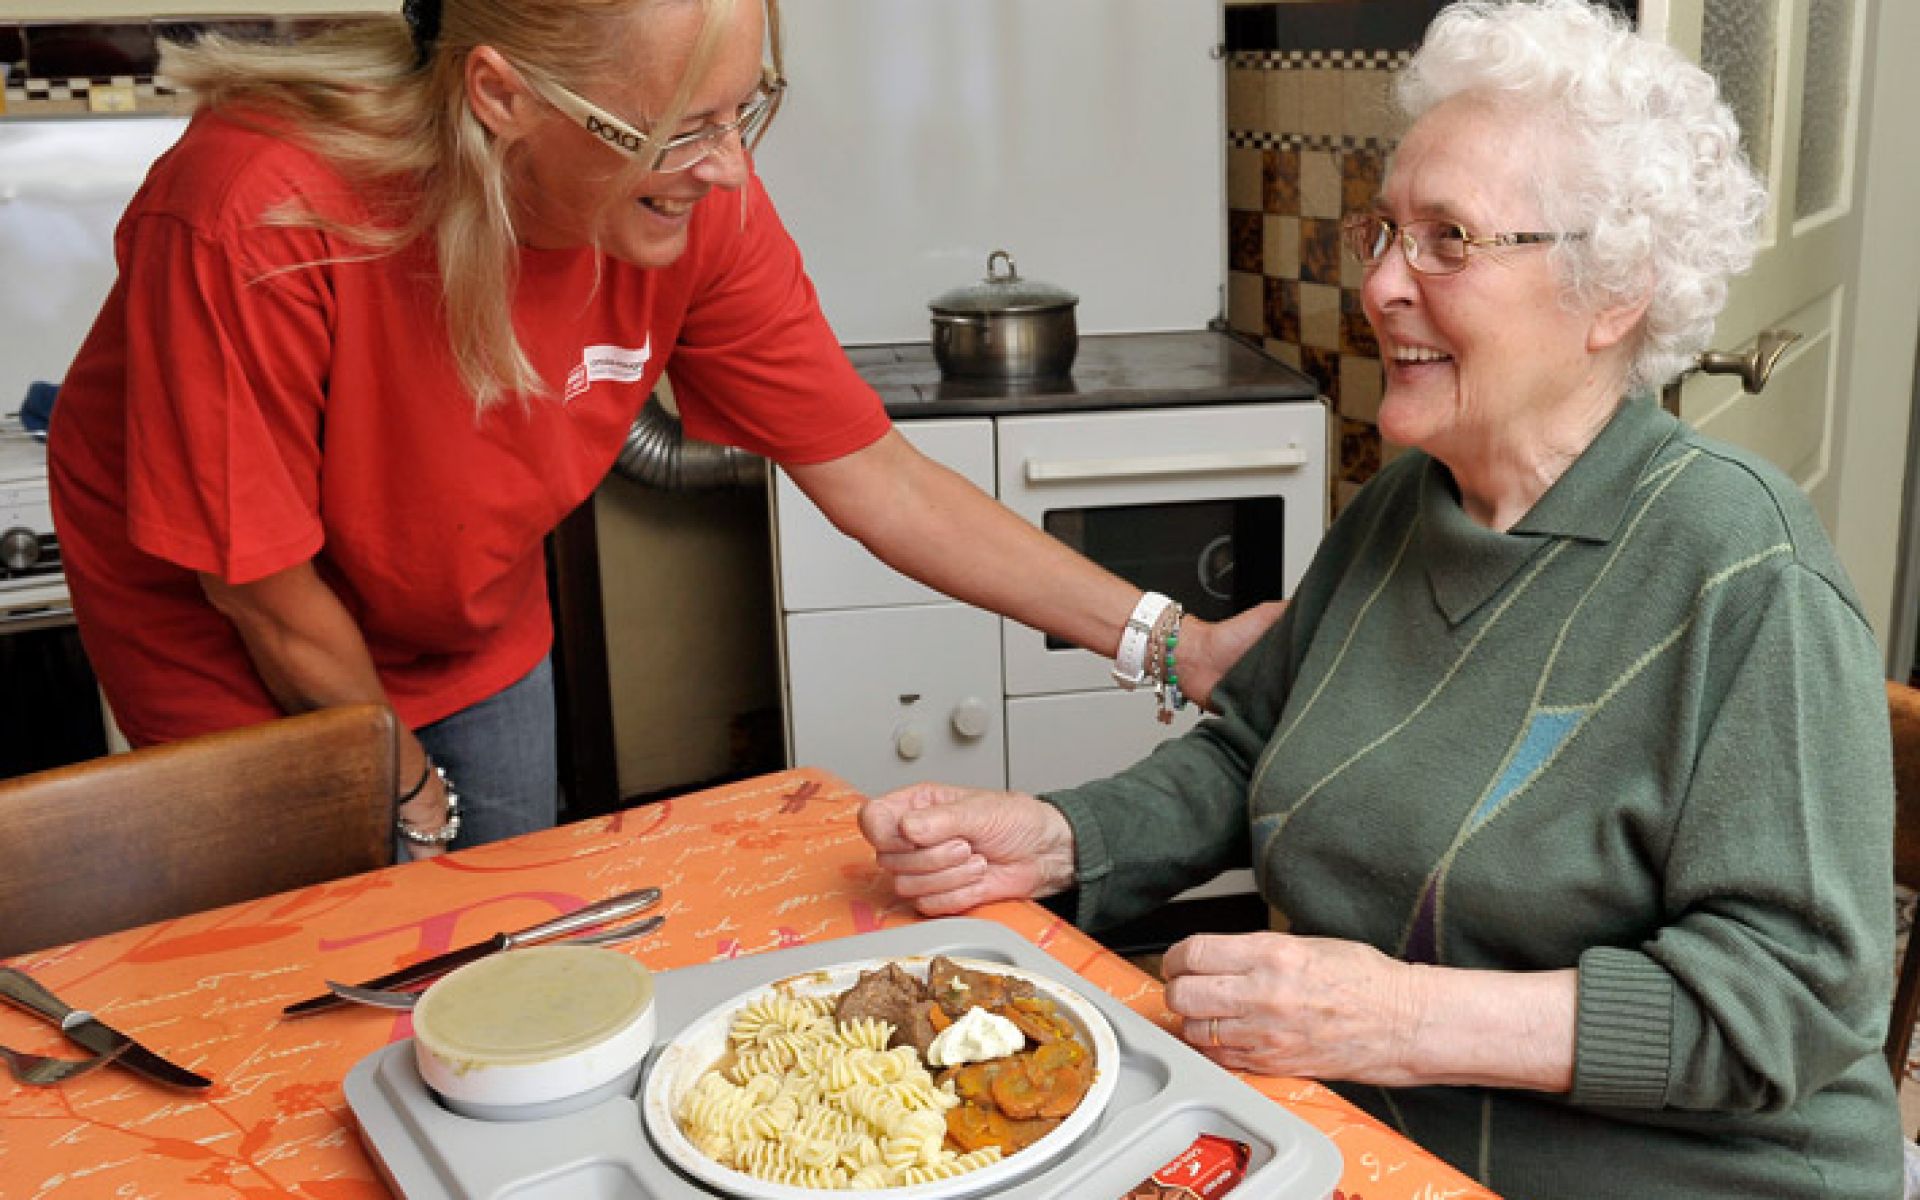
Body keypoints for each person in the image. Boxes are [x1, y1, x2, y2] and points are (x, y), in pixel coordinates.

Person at [859, 2, 1902, 1194]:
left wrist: (1400, 1021)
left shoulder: (1742, 569)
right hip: (1366, 1129)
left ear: (1615, 293)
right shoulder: (1408, 503)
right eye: (1384, 231)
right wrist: (1060, 838)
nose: (1383, 284)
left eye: (1448, 239)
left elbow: (1795, 999)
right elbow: (1256, 749)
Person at [46, 0, 1272, 859]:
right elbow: (256, 584)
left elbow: (880, 478)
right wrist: (407, 797)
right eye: (680, 128)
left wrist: (1179, 645)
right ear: (502, 96)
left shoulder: (692, 199)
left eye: (746, 110)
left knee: (495, 930)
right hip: (230, 636)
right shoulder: (255, 210)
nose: (728, 168)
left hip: (462, 613)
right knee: (316, 973)